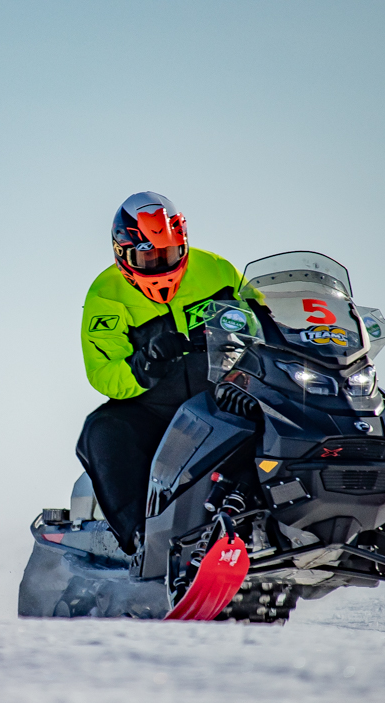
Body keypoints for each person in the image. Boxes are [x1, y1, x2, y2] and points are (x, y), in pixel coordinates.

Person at [76, 192, 242, 555]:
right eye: (147, 256)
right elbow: (104, 373)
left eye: (167, 254)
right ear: (123, 254)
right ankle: (142, 540)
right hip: (154, 409)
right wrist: (146, 362)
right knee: (103, 429)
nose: (159, 265)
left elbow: (261, 316)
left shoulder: (219, 271)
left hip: (226, 397)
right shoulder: (105, 294)